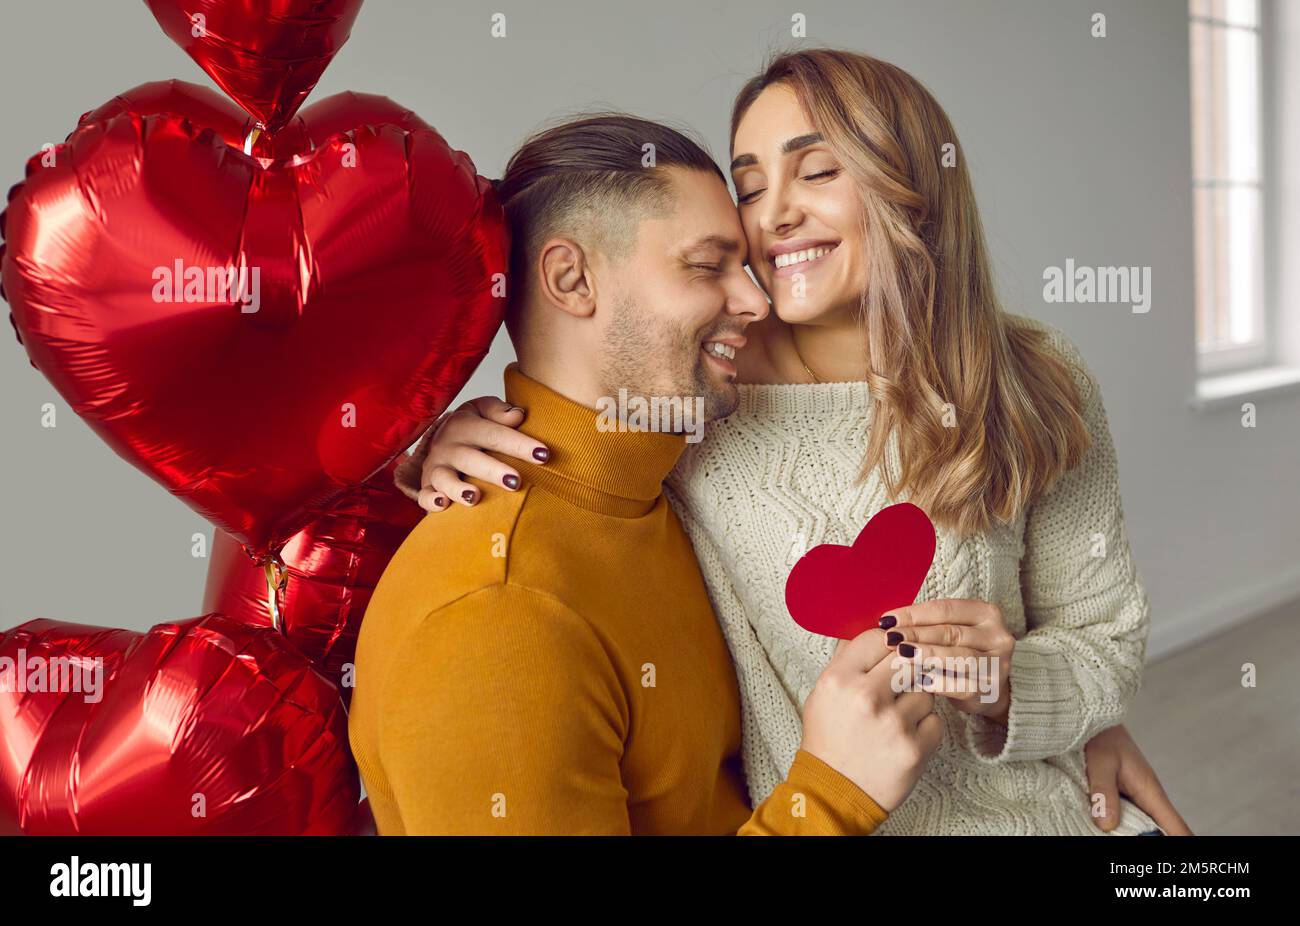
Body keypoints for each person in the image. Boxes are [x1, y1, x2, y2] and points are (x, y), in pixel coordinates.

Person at [399, 49, 1193, 836]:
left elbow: (1105, 641)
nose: (772, 213)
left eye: (815, 172)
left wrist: (1014, 687)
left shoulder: (1030, 376)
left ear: (912, 185)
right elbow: (589, 410)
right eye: (749, 187)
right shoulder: (702, 393)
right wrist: (431, 443)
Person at [350, 114, 950, 835]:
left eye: (746, 268)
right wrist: (831, 797)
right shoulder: (497, 615)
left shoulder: (671, 480)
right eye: (706, 266)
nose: (756, 303)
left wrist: (1067, 711)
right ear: (572, 279)